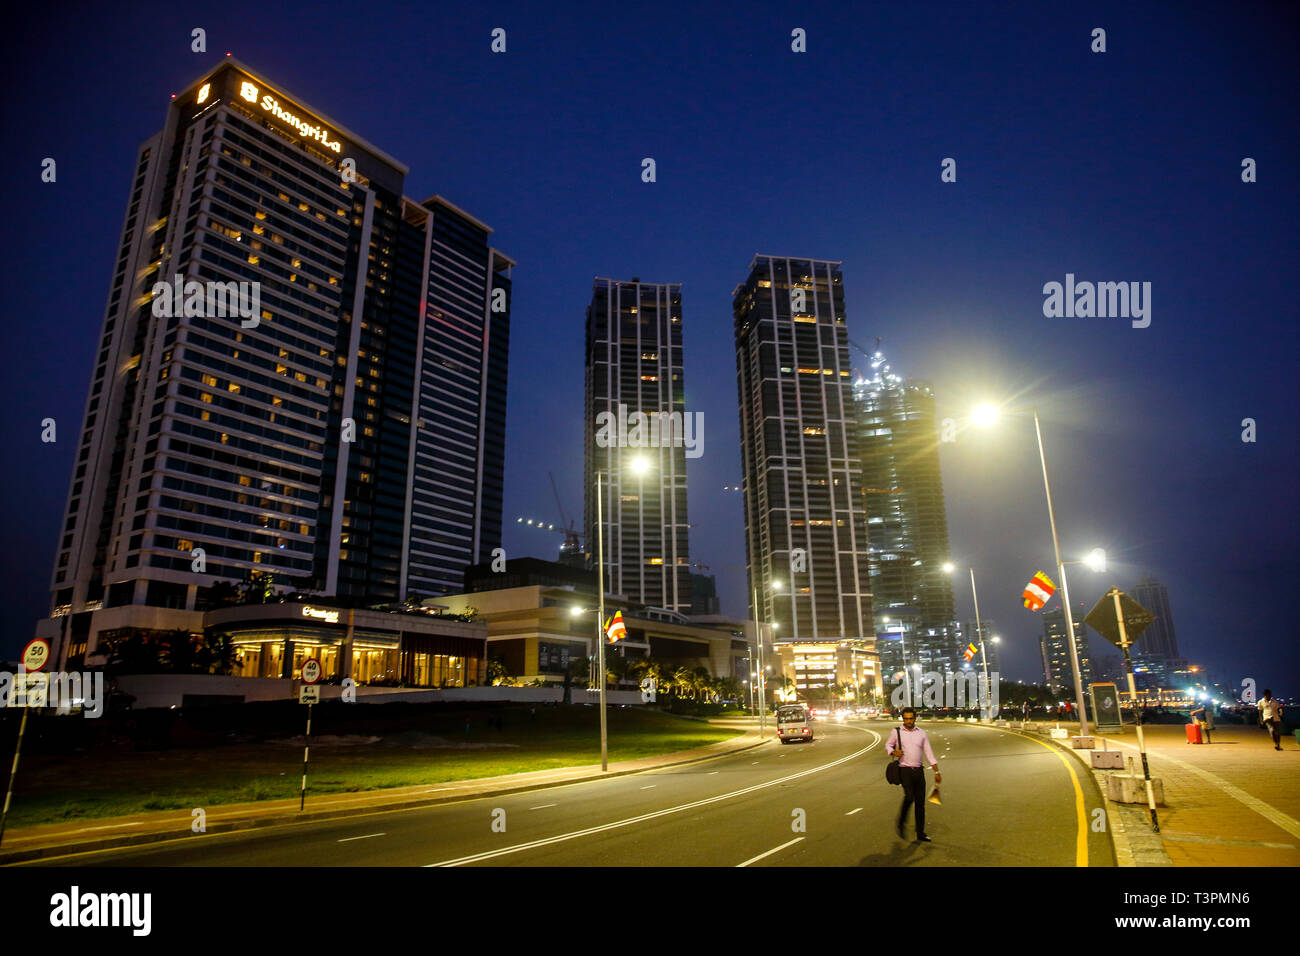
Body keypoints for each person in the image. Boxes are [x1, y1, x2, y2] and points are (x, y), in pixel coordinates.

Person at [886, 707, 941, 843]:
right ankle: (901, 821)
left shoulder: (921, 733)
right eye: (906, 719)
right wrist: (893, 752)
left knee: (920, 804)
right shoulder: (896, 732)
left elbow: (929, 753)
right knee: (909, 796)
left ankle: (920, 833)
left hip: (919, 771)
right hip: (905, 770)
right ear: (903, 719)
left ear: (915, 718)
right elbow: (888, 745)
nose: (908, 721)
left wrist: (937, 771)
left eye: (911, 718)